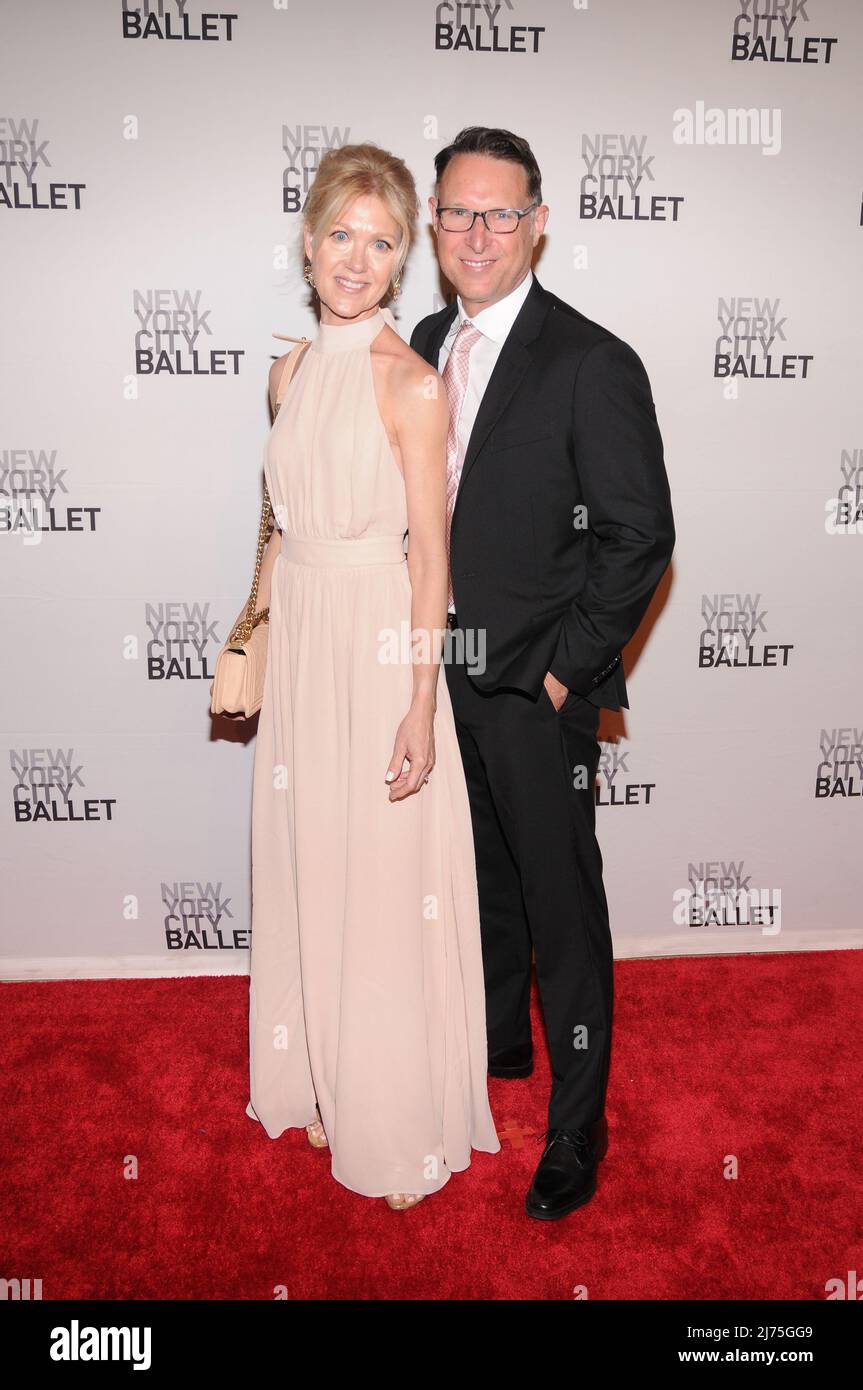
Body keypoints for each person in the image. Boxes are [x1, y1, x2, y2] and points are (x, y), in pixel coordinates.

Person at [410, 127, 676, 1220]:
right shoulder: (423, 338)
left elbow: (639, 535)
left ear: (538, 222)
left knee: (562, 906)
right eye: (458, 213)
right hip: (444, 671)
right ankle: (498, 1054)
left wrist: (566, 675)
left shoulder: (589, 360)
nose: (478, 234)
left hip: (536, 687)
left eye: (500, 213)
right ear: (431, 225)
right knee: (483, 887)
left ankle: (576, 1127)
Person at [242, 142, 500, 1211]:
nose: (357, 258)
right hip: (302, 631)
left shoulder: (411, 381)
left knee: (384, 881)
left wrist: (417, 704)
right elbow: (273, 520)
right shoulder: (288, 371)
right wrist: (248, 637)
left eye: (381, 241)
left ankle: (391, 1114)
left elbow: (430, 561)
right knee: (310, 860)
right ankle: (314, 1078)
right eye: (341, 235)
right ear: (307, 245)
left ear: (403, 262)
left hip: (375, 635)